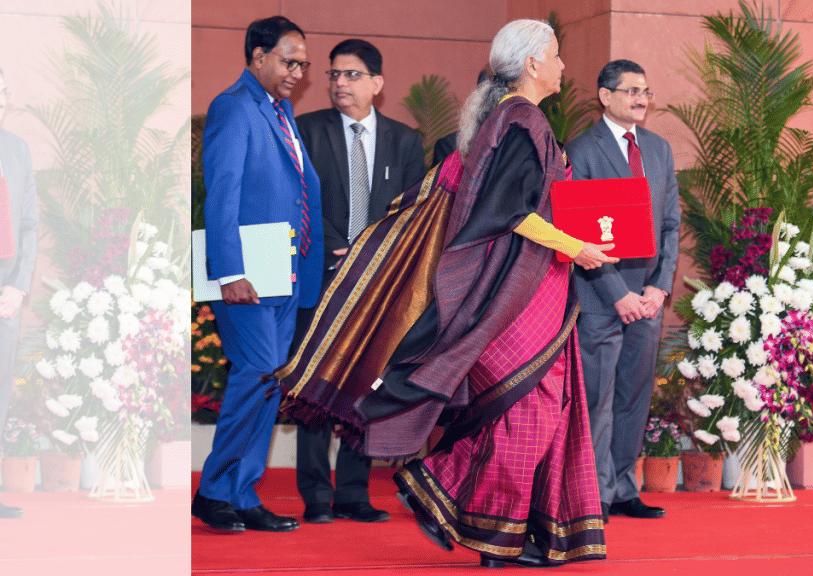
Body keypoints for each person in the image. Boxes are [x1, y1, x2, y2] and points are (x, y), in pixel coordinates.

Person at [277, 19, 610, 568]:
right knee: (526, 412)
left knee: (523, 411)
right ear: (532, 64)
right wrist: (576, 247)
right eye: (554, 55)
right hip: (515, 298)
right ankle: (489, 531)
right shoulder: (521, 120)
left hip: (527, 292)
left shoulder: (508, 119)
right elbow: (508, 211)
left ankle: (485, 520)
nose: (562, 66)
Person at [191, 15, 324, 534]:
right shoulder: (233, 106)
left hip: (284, 272)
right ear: (258, 57)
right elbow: (221, 194)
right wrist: (229, 272)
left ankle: (242, 494)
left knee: (269, 382)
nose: (297, 73)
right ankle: (214, 490)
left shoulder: (281, 111)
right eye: (289, 62)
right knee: (259, 371)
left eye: (303, 65)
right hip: (246, 275)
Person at [291, 38, 426, 525]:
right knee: (316, 385)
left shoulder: (405, 141)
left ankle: (353, 492)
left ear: (377, 83)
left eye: (352, 74)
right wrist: (336, 247)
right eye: (334, 74)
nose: (340, 83)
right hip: (323, 273)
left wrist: (371, 253)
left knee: (364, 386)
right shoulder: (308, 130)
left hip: (377, 282)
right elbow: (299, 199)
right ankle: (315, 495)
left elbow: (412, 212)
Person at [564, 59, 679, 521]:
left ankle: (625, 488)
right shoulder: (580, 150)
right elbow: (576, 231)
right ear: (605, 96)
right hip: (601, 298)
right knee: (598, 399)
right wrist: (618, 293)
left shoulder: (658, 149)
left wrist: (659, 288)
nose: (640, 99)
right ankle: (595, 494)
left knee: (634, 395)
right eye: (631, 90)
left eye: (645, 91)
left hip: (647, 299)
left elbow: (670, 225)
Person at [0, 67, 39, 520]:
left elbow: (28, 225)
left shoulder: (16, 149)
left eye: (4, 92)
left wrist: (17, 286)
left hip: (6, 294)